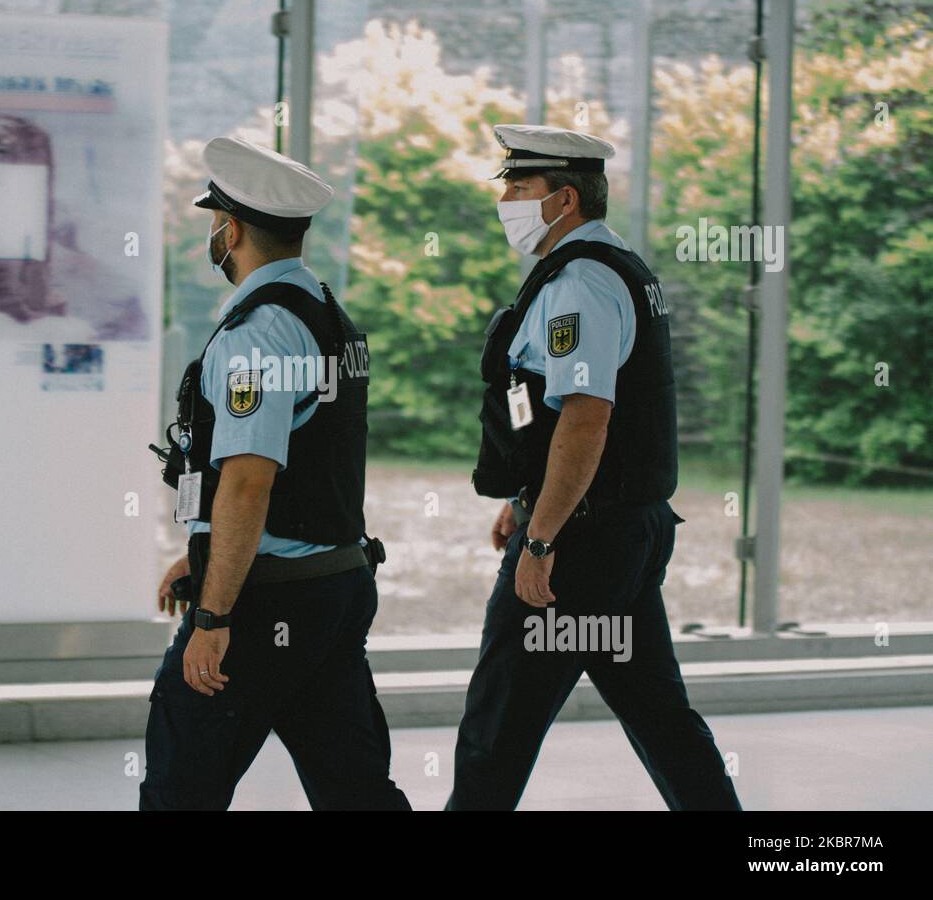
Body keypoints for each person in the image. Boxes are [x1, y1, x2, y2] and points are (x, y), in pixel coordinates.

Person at [447, 124, 742, 810]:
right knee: (657, 713)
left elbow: (586, 416)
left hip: (581, 542)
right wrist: (526, 496)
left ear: (565, 199)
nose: (508, 199)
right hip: (619, 532)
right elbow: (548, 414)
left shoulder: (581, 282)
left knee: (498, 722)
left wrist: (542, 535)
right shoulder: (609, 268)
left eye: (521, 186)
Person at [140, 136, 410, 811]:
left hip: (267, 605)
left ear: (230, 231)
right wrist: (201, 552)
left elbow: (249, 480)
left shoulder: (257, 332)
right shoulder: (326, 317)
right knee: (355, 790)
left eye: (213, 223)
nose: (212, 235)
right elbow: (306, 470)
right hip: (334, 586)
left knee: (181, 788)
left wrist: (214, 611)